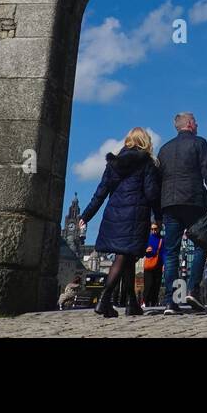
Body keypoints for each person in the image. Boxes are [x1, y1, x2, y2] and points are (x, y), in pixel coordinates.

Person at [78, 127, 161, 318]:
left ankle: (132, 304)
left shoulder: (113, 163)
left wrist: (86, 215)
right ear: (145, 142)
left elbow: (100, 192)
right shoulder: (146, 163)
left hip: (114, 215)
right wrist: (158, 216)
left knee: (127, 258)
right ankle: (104, 299)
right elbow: (151, 193)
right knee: (123, 257)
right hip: (135, 215)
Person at [156, 112, 207, 315]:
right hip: (194, 201)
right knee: (201, 244)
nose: (198, 125)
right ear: (190, 124)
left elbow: (157, 180)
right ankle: (193, 290)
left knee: (171, 252)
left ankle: (171, 301)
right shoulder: (199, 143)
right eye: (196, 122)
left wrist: (157, 210)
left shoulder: (164, 149)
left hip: (169, 203)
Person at [141, 222, 164, 307]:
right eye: (152, 229)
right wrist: (145, 250)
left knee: (156, 284)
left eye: (155, 229)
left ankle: (154, 302)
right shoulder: (147, 238)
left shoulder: (162, 239)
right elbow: (141, 250)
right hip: (149, 265)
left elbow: (164, 252)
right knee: (148, 284)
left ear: (159, 229)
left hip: (158, 264)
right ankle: (145, 301)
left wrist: (164, 264)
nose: (153, 231)